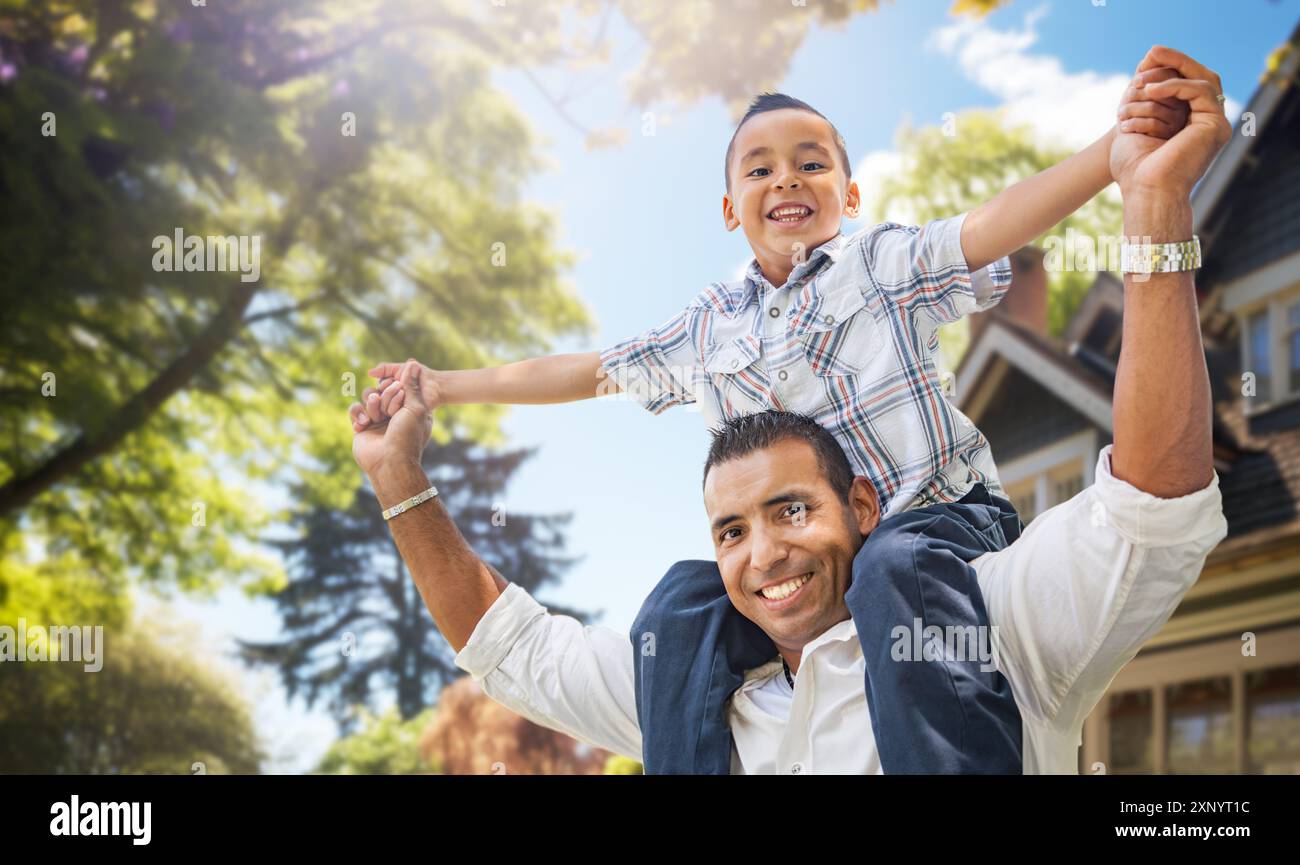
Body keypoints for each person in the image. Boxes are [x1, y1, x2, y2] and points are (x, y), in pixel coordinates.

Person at [348, 44, 1230, 773]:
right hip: (861, 563)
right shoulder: (707, 327)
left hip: (939, 536)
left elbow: (996, 222)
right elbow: (582, 372)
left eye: (813, 163)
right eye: (761, 168)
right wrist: (444, 388)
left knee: (890, 568)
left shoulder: (881, 264)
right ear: (731, 209)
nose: (788, 179)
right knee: (679, 605)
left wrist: (1120, 165)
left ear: (849, 194)